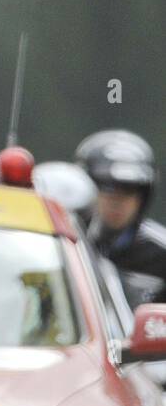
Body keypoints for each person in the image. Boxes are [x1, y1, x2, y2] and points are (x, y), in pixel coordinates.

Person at [76, 129, 166, 306]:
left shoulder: (161, 255)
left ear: (144, 195)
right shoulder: (63, 244)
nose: (117, 201)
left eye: (129, 190)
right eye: (107, 188)